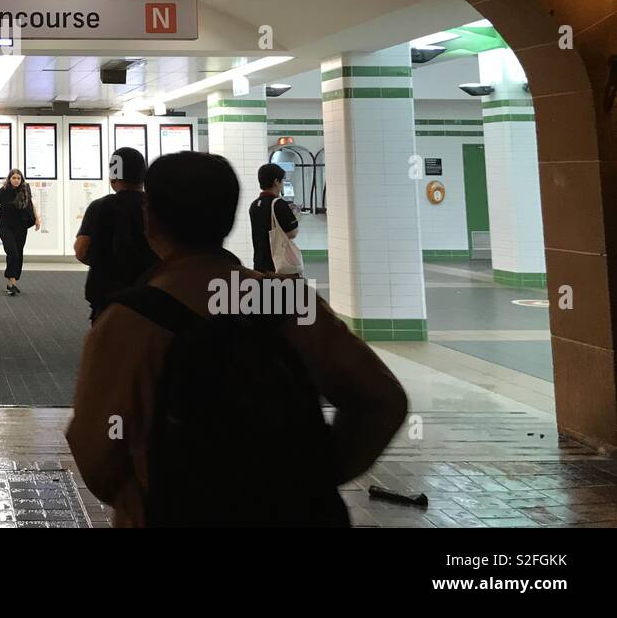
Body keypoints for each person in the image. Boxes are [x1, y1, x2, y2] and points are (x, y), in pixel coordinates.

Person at [66, 152, 408, 528]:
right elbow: (382, 399)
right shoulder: (288, 300)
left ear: (151, 220)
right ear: (228, 217)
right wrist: (313, 473)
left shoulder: (128, 320)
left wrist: (150, 496)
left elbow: (96, 451)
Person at [73, 146, 156, 322]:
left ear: (113, 176)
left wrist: (104, 263)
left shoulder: (101, 206)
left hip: (108, 296)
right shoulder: (155, 207)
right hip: (150, 295)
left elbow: (81, 250)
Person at [0, 168, 41, 295]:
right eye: (14, 178)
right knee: (12, 251)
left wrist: (37, 219)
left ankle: (12, 283)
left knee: (18, 253)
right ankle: (11, 280)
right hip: (5, 226)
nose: (16, 180)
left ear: (21, 179)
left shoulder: (25, 191)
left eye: (19, 178)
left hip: (21, 226)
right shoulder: (2, 192)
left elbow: (32, 205)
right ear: (9, 179)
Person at [250, 162, 299, 275]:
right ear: (276, 182)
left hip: (259, 265)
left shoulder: (254, 205)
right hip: (277, 266)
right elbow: (292, 233)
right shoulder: (278, 204)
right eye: (282, 180)